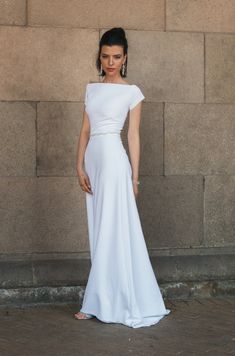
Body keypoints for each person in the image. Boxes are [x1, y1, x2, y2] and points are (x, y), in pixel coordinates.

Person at [74, 27, 170, 328]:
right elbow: (85, 130)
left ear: (125, 57)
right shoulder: (92, 89)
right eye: (105, 56)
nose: (110, 62)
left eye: (116, 56)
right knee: (99, 229)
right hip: (93, 162)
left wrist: (135, 178)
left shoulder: (131, 92)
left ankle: (95, 301)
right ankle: (102, 296)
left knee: (110, 229)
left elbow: (133, 134)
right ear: (99, 57)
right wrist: (78, 165)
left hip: (115, 164)